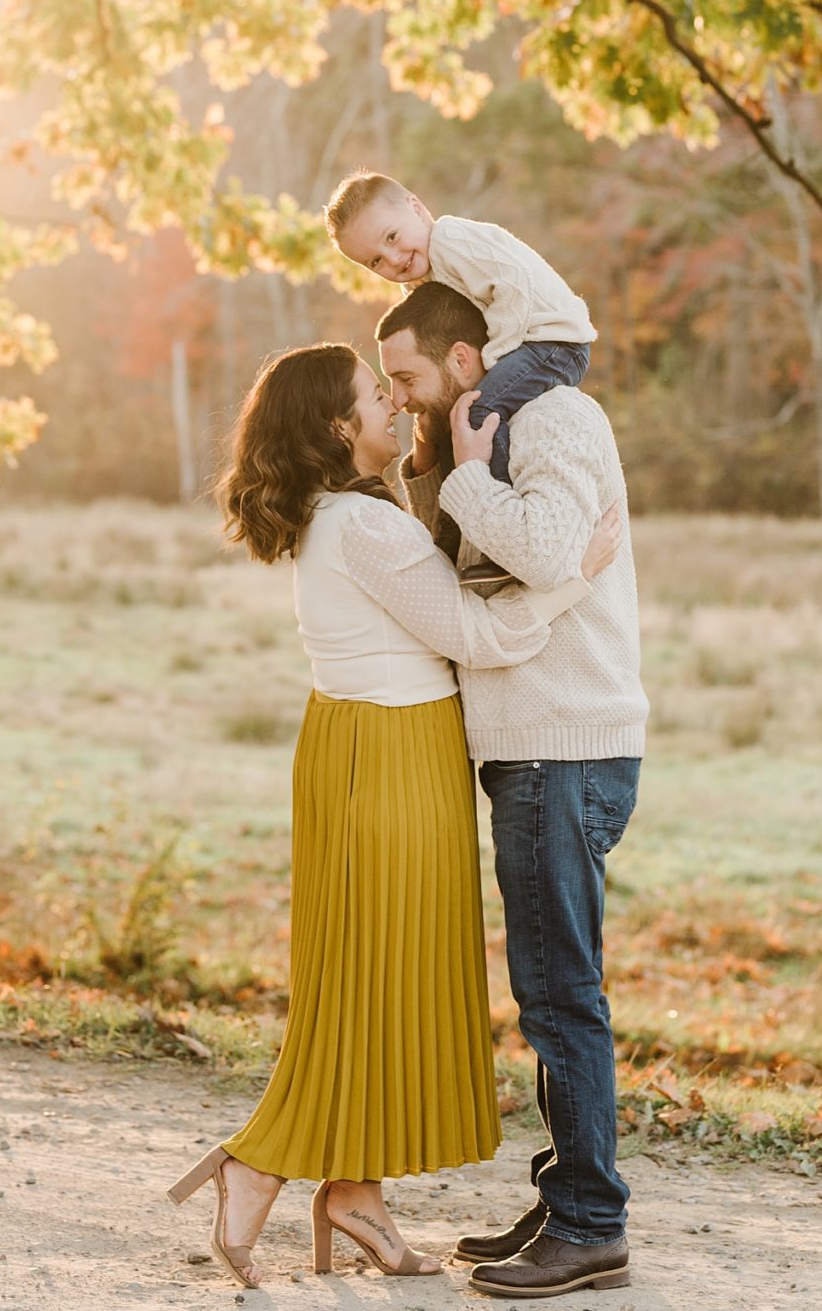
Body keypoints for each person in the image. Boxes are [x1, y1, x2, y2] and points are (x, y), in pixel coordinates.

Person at [166, 342, 622, 1290]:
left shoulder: (353, 514)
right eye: (380, 397)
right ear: (340, 427)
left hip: (370, 748)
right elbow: (477, 634)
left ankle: (355, 1194)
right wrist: (580, 570)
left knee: (378, 978)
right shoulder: (362, 528)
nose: (395, 406)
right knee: (375, 977)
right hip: (391, 755)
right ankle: (259, 1161)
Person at [376, 281, 647, 1301]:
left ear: (459, 361)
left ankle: (591, 1222)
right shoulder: (493, 435)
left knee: (561, 991)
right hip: (533, 744)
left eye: (407, 377)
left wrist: (467, 471)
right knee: (546, 987)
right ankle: (564, 1194)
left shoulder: (555, 418)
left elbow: (539, 554)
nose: (399, 399)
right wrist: (451, 467)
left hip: (562, 744)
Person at [323, 170, 596, 505]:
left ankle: (497, 501)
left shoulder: (451, 241)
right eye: (376, 260)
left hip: (553, 341)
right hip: (529, 345)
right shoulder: (422, 277)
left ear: (417, 208)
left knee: (480, 412)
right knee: (456, 422)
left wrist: (492, 361)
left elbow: (513, 289)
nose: (393, 259)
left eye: (392, 237)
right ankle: (457, 521)